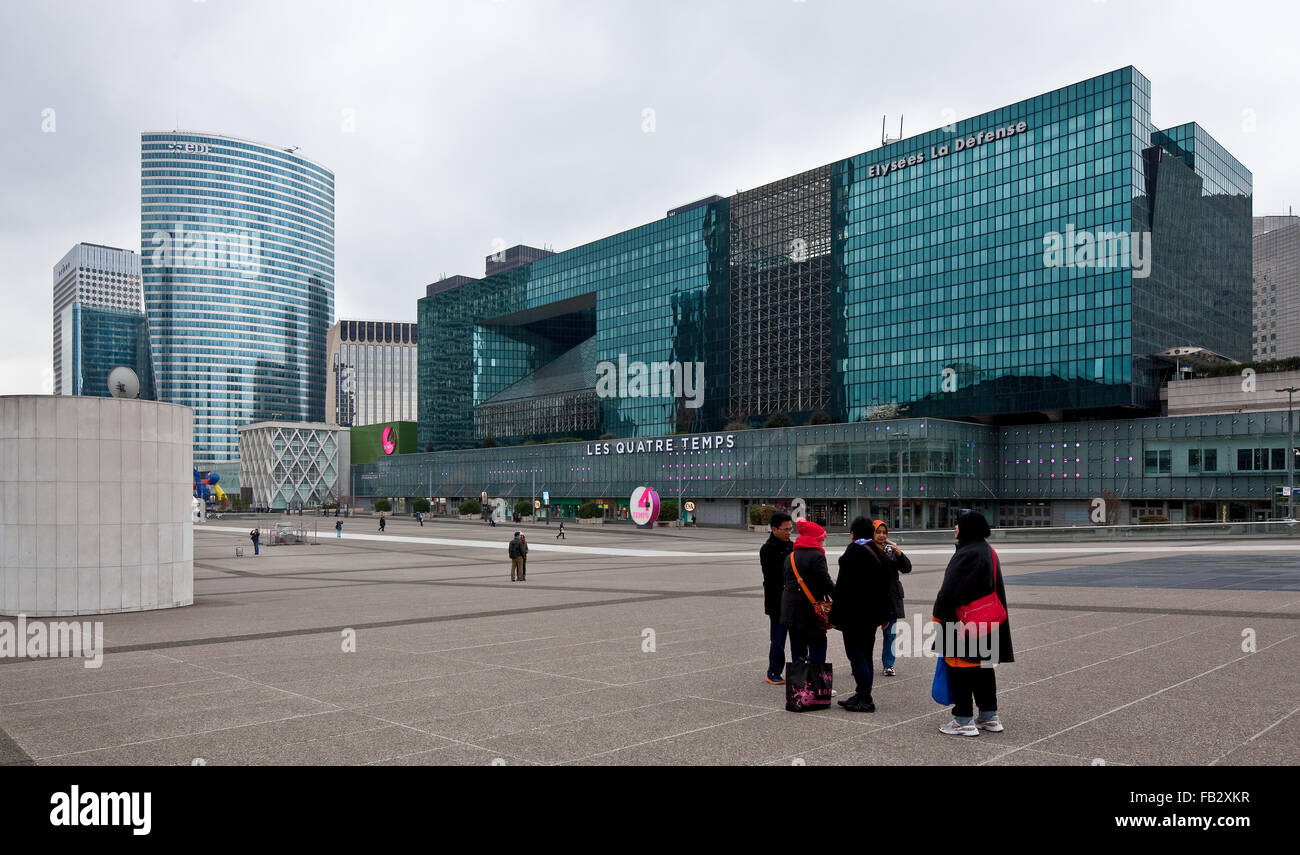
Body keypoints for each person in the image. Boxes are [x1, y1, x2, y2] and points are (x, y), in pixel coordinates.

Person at [932, 509, 1014, 737]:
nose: (955, 528)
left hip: (963, 624)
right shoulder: (988, 550)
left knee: (961, 670)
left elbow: (950, 591)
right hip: (987, 622)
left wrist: (938, 615)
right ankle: (989, 716)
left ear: (967, 527)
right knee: (983, 670)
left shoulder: (968, 552)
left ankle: (963, 720)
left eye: (957, 524)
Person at [829, 517, 895, 712]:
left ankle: (865, 698)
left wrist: (833, 617)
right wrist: (885, 615)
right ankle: (862, 693)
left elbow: (841, 589)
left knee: (856, 655)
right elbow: (886, 587)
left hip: (853, 616)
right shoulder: (879, 552)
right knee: (866, 655)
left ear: (852, 534)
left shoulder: (852, 553)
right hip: (872, 616)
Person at [780, 519, 834, 666]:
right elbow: (825, 582)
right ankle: (817, 683)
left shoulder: (790, 556)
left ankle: (800, 685)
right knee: (818, 643)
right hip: (810, 611)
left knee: (797, 647)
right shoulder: (817, 555)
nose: (823, 543)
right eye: (822, 539)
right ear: (815, 539)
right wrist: (838, 597)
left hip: (790, 610)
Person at [868, 520, 912, 676]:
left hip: (891, 598)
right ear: (871, 533)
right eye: (878, 532)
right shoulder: (866, 549)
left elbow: (907, 568)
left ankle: (888, 664)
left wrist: (899, 553)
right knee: (867, 635)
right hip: (873, 599)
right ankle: (863, 663)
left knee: (890, 635)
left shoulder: (891, 549)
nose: (881, 535)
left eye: (884, 532)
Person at [759, 511, 796, 684]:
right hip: (777, 601)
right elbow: (774, 575)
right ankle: (773, 671)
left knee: (797, 638)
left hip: (794, 600)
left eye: (791, 529)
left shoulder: (793, 545)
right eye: (785, 529)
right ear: (774, 529)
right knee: (778, 639)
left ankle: (798, 669)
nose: (789, 532)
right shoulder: (768, 549)